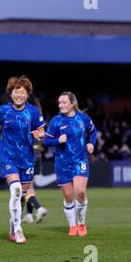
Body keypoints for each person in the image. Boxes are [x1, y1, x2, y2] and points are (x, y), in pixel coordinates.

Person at [0, 76, 45, 244]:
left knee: (22, 196)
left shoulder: (33, 111)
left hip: (27, 158)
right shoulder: (3, 110)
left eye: (22, 92)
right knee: (16, 190)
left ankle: (12, 224)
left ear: (27, 94)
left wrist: (39, 134)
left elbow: (41, 130)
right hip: (8, 155)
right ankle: (18, 229)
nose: (19, 95)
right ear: (10, 93)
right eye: (16, 92)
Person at [43, 91, 97, 236]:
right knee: (68, 197)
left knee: (79, 192)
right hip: (62, 164)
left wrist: (91, 144)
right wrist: (57, 141)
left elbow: (93, 131)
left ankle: (81, 224)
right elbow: (46, 141)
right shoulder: (56, 121)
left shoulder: (83, 118)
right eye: (59, 103)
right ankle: (72, 226)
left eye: (64, 102)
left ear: (72, 103)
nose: (61, 105)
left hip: (80, 161)